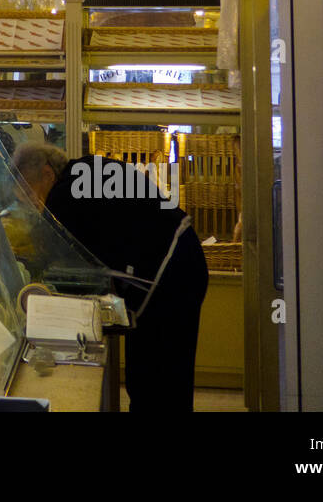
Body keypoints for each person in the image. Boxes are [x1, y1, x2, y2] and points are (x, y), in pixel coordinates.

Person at [12, 143, 208, 413]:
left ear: (47, 174)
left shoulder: (63, 196)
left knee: (158, 379)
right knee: (161, 377)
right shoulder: (82, 171)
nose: (30, 204)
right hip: (181, 259)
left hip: (171, 270)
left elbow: (56, 256)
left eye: (26, 191)